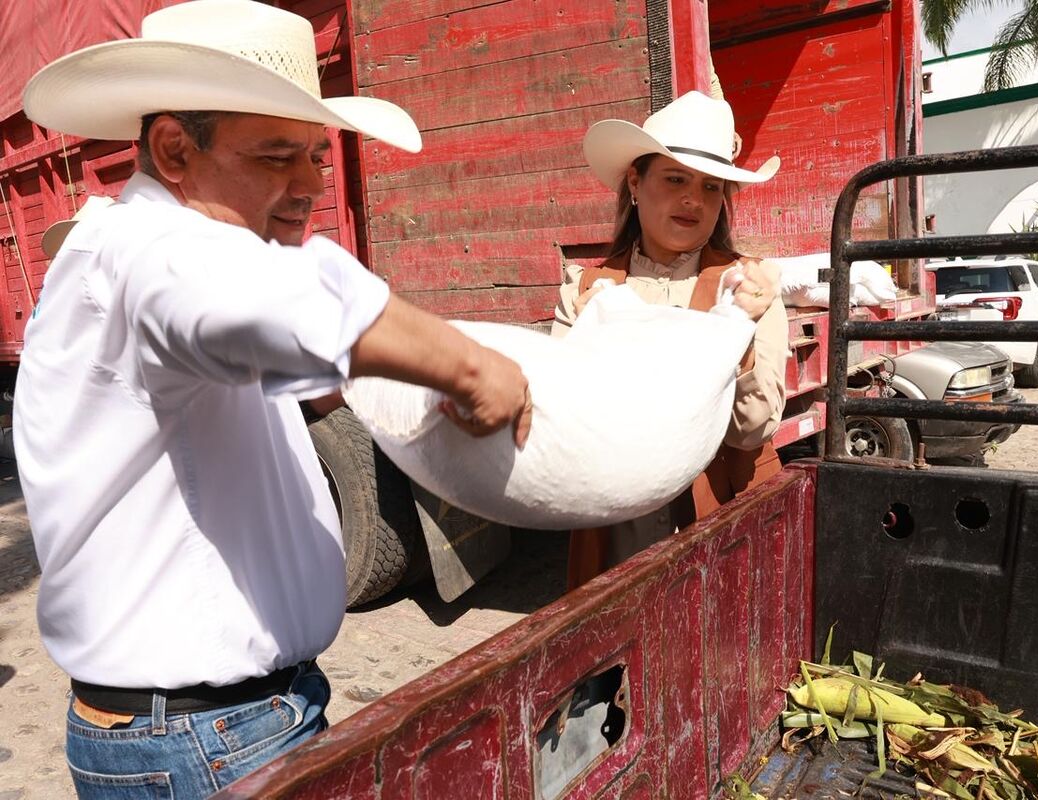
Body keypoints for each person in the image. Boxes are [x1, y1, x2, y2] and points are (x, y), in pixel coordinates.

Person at [14, 2, 532, 797]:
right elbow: (274, 300)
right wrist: (471, 367)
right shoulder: (155, 251)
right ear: (174, 149)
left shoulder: (138, 255)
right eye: (276, 157)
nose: (309, 186)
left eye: (317, 158)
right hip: (201, 738)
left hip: (211, 727)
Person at [551, 91, 788, 587]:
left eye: (710, 186)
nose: (693, 200)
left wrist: (739, 332)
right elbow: (562, 425)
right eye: (676, 179)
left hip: (720, 530)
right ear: (636, 182)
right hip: (617, 540)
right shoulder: (587, 290)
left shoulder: (748, 287)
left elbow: (752, 431)